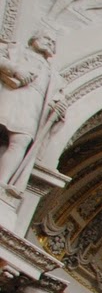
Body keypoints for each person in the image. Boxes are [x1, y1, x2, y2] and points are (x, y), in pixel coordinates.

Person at [0, 34, 63, 197]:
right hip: (9, 95)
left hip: (33, 107)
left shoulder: (53, 74)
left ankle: (2, 182)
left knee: (21, 141)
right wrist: (15, 69)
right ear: (33, 39)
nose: (49, 42)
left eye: (52, 42)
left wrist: (59, 106)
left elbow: (57, 96)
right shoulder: (15, 49)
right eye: (46, 38)